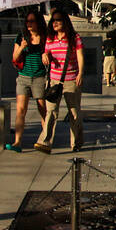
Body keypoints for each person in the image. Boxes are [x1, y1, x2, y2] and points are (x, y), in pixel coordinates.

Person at [34, 10, 83, 153]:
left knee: (74, 112)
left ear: (65, 22)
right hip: (54, 80)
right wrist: (45, 55)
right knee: (51, 111)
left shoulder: (74, 38)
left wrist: (80, 73)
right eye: (53, 21)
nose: (54, 23)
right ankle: (45, 142)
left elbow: (80, 56)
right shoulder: (50, 38)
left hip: (71, 79)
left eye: (58, 20)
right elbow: (47, 51)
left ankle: (76, 143)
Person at [8, 12, 48, 152]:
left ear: (38, 22)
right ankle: (17, 142)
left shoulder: (45, 39)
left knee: (42, 109)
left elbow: (51, 55)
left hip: (39, 77)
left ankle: (45, 139)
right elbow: (14, 58)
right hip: (23, 77)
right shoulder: (22, 37)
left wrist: (46, 54)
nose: (29, 24)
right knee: (21, 110)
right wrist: (21, 47)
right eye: (27, 21)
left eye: (32, 21)